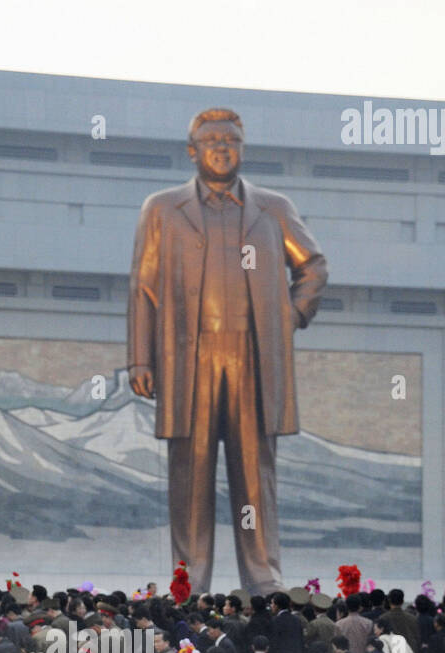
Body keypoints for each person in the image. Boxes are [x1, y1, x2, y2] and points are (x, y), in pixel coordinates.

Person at [127, 109, 327, 592]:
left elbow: (314, 267)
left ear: (243, 148)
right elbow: (143, 288)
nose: (221, 146)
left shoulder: (272, 207)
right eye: (210, 140)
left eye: (231, 139)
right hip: (187, 361)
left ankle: (263, 579)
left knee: (255, 475)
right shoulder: (161, 209)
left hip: (253, 360)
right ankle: (189, 582)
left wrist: (290, 316)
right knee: (189, 477)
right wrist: (141, 358)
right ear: (192, 150)